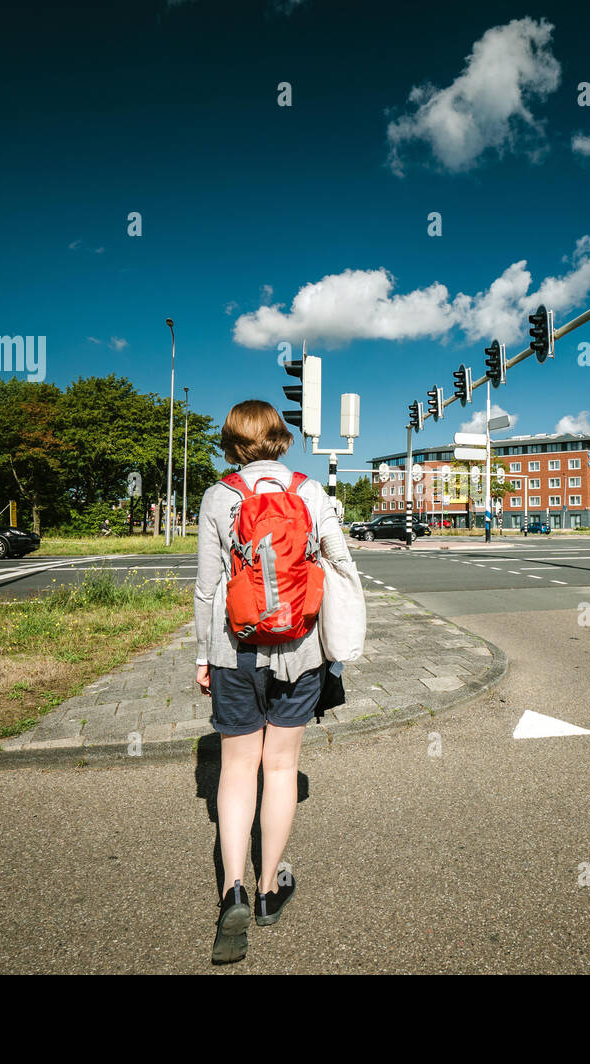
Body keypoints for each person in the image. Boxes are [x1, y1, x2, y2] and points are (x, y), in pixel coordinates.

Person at [194, 399, 354, 965]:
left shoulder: (218, 496)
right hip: (298, 648)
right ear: (283, 439)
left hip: (233, 649)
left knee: (237, 768)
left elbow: (207, 588)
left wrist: (203, 656)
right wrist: (339, 647)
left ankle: (231, 888)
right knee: (280, 767)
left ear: (232, 442)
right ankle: (268, 892)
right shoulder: (312, 493)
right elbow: (339, 566)